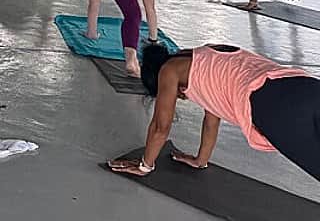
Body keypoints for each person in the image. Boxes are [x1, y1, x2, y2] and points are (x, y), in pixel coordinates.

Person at [109, 42, 319, 181]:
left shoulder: (170, 71)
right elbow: (212, 118)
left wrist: (144, 166)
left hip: (273, 107)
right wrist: (201, 159)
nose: (181, 97)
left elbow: (160, 127)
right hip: (301, 84)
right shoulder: (206, 55)